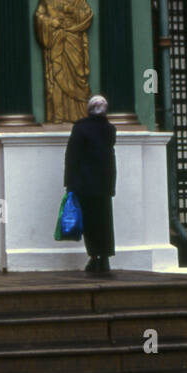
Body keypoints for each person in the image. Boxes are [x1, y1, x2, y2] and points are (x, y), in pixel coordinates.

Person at [64, 94, 116, 276]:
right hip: (104, 184)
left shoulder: (80, 128)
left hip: (84, 183)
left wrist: (69, 183)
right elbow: (110, 157)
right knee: (105, 221)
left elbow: (72, 157)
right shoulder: (110, 129)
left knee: (90, 223)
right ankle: (105, 258)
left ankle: (94, 257)